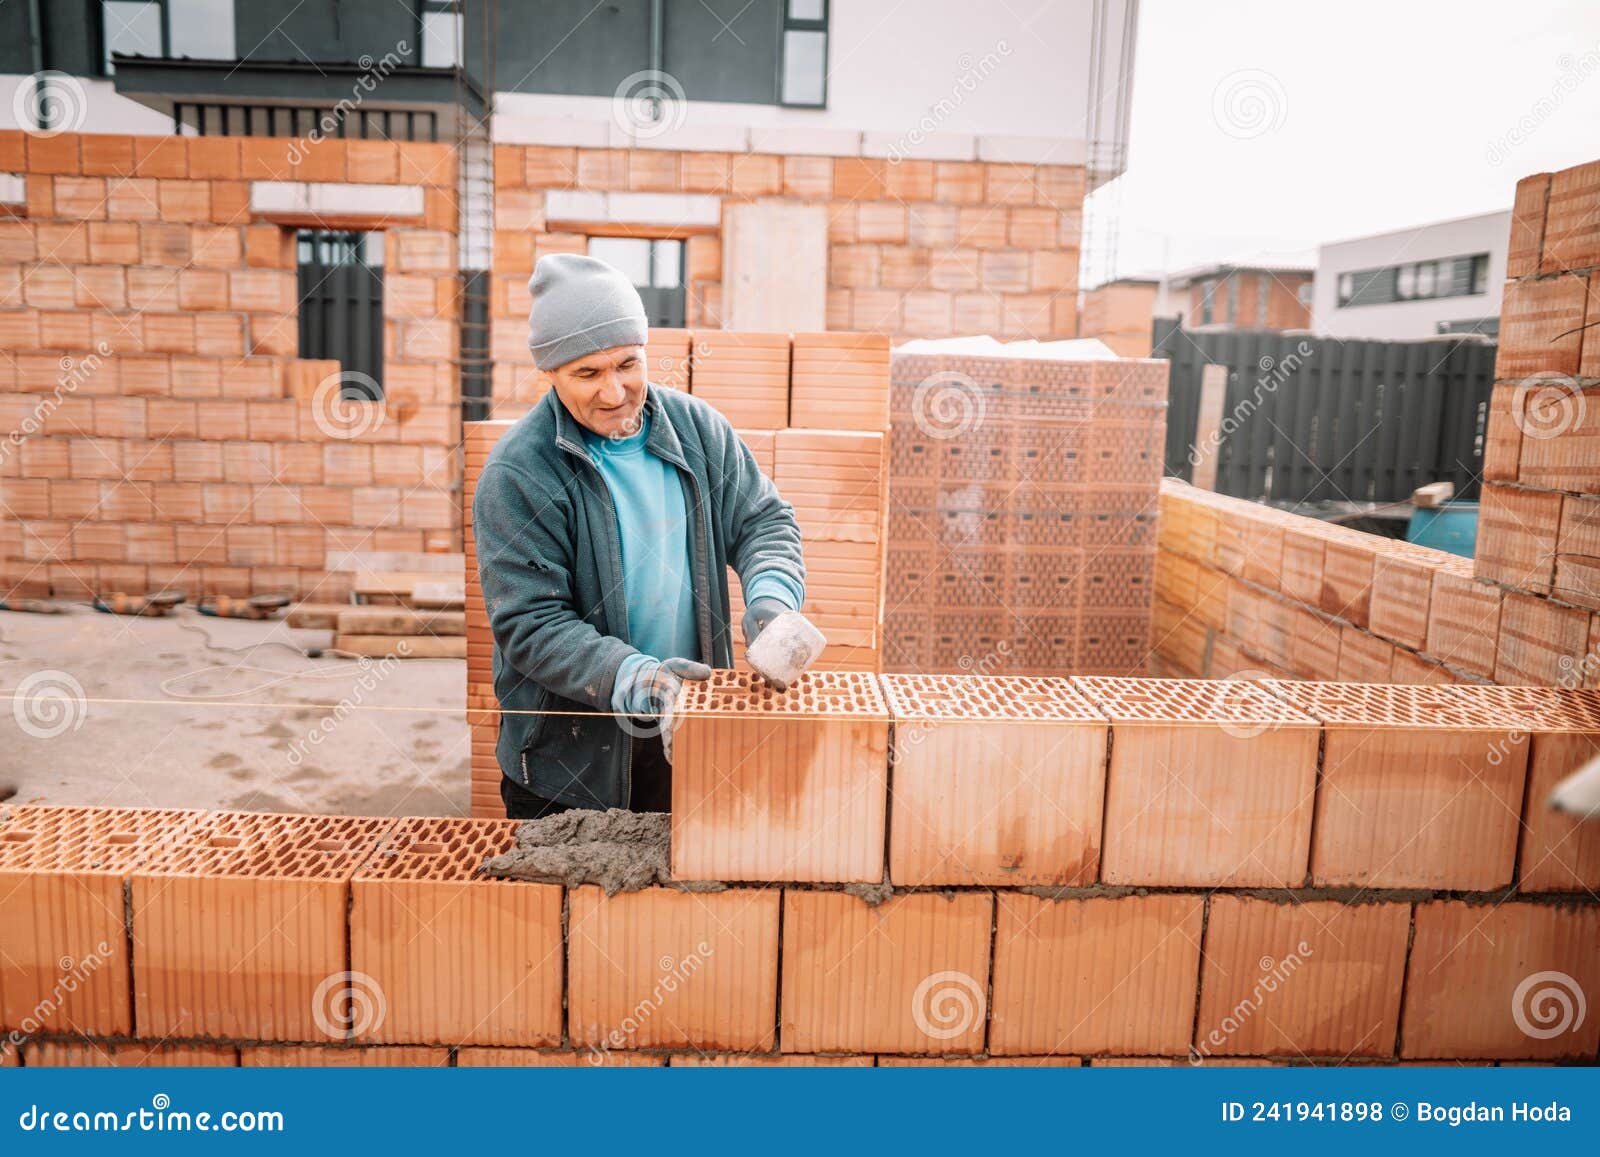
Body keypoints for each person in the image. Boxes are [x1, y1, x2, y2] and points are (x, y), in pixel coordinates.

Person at [473, 254, 806, 819]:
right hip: (570, 767)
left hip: (690, 739)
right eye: (587, 374)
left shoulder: (699, 430)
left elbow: (763, 521)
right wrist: (635, 677)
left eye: (628, 364)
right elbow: (529, 624)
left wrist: (771, 600)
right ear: (548, 373)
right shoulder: (520, 474)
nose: (614, 392)